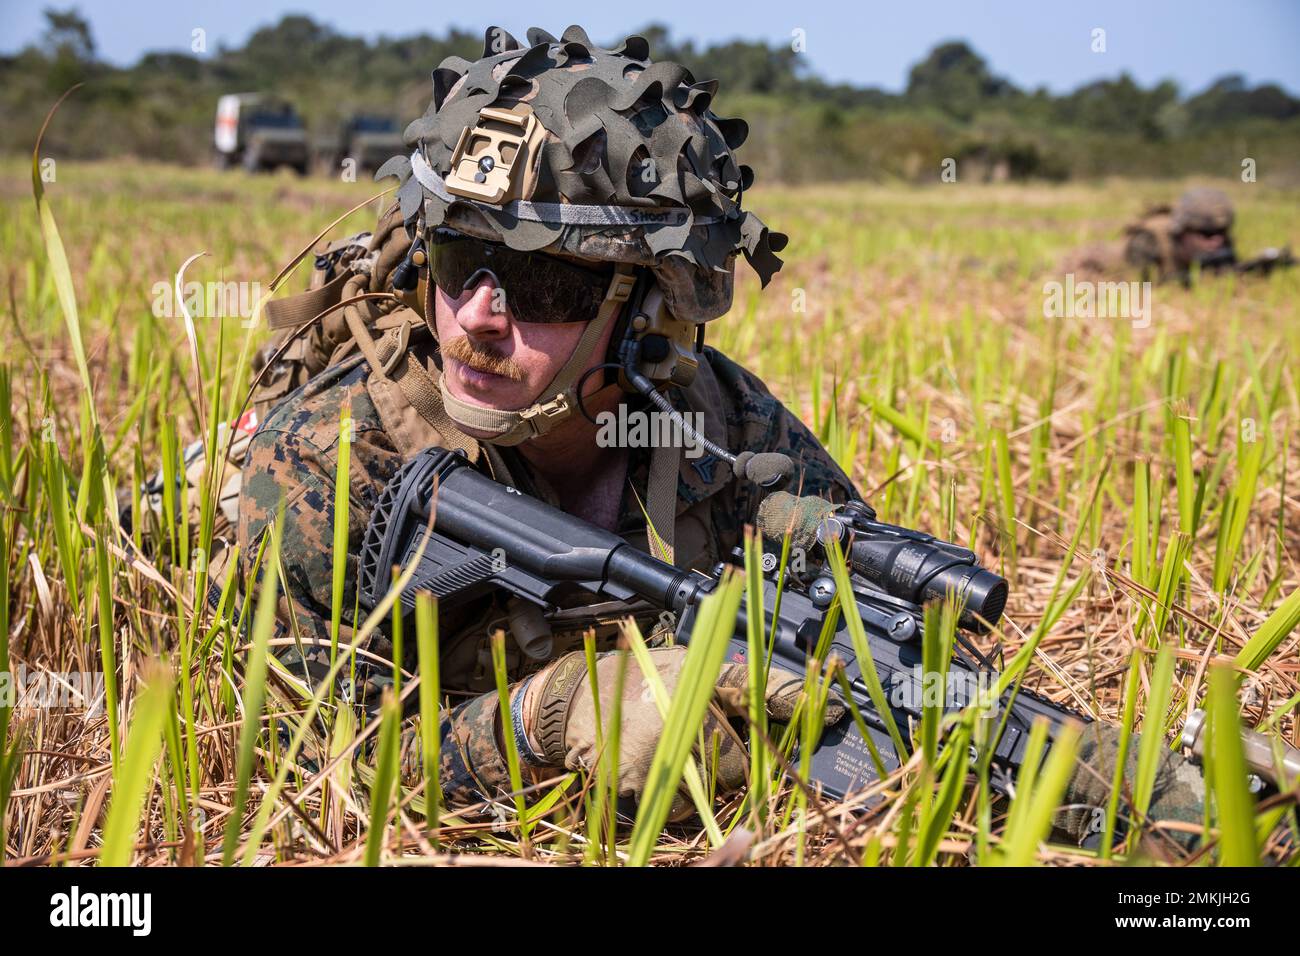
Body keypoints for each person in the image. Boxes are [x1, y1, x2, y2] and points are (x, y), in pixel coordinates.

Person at [237, 25, 1205, 847]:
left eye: (542, 286)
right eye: (457, 261)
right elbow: (307, 767)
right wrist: (550, 715)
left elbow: (877, 669)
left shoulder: (723, 426)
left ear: (649, 310)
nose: (478, 318)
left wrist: (1138, 787)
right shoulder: (335, 454)